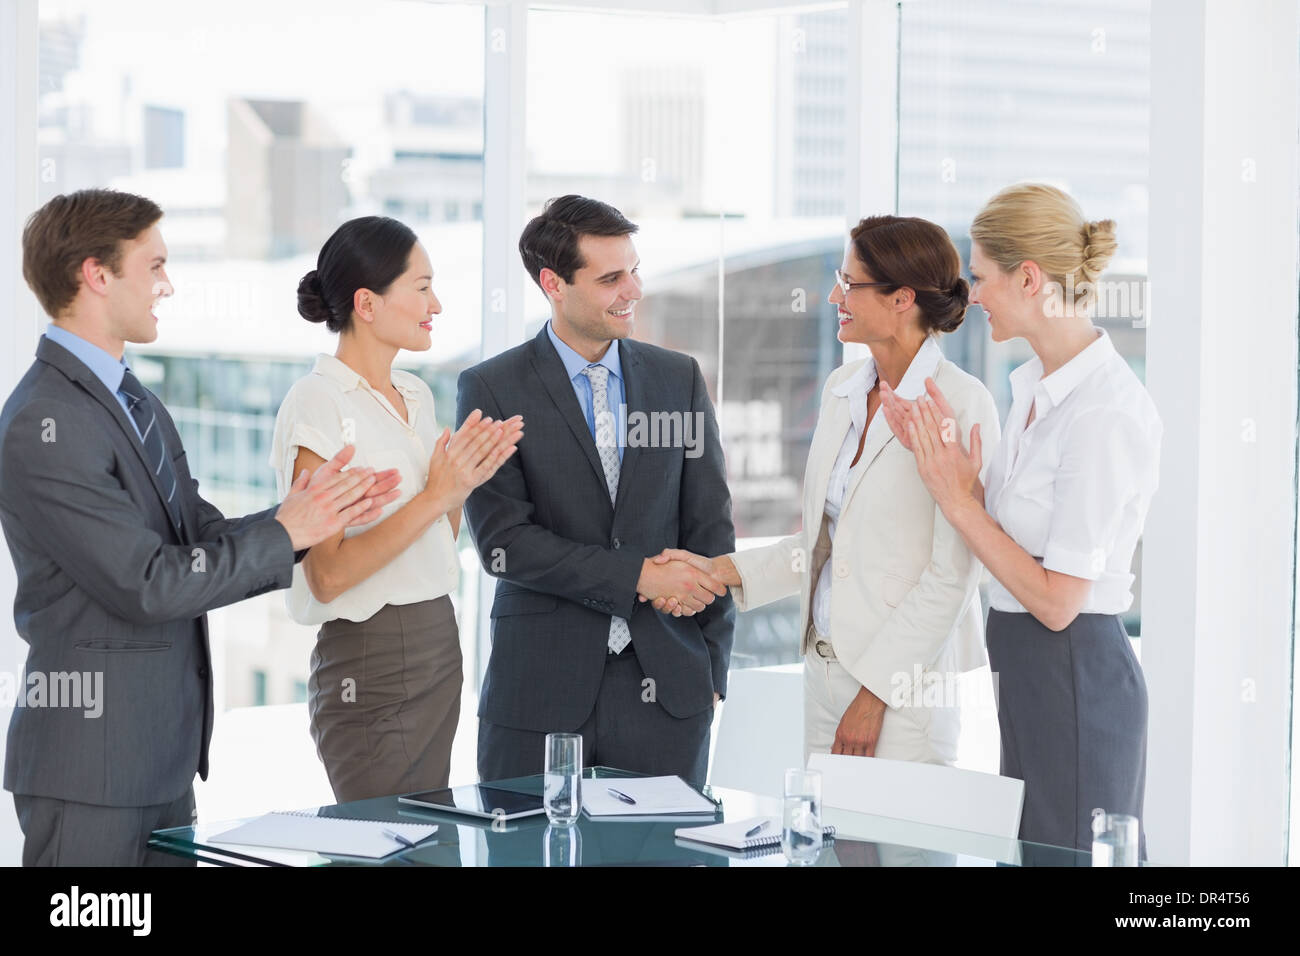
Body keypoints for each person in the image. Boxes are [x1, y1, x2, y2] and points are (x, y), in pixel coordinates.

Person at [0, 189, 397, 866]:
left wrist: (299, 519)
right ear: (97, 275)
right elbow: (147, 584)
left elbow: (194, 534)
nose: (167, 285)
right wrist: (286, 531)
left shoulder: (133, 398)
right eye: (153, 266)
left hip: (159, 764)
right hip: (93, 775)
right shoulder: (51, 422)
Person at [652, 215, 1001, 764]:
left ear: (901, 299)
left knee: (900, 849)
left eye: (852, 283)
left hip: (904, 693)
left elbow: (953, 576)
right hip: (823, 678)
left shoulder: (962, 401)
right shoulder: (843, 388)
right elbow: (822, 546)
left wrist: (876, 693)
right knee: (824, 847)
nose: (835, 294)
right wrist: (719, 571)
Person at [879, 183, 1161, 855]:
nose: (972, 296)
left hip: (1074, 673)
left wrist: (958, 501)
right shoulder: (1034, 389)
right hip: (1033, 672)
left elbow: (1059, 601)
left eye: (980, 277)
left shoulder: (1102, 413)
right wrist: (952, 472)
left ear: (1029, 277)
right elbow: (1013, 543)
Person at [456, 195, 734, 786]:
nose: (632, 290)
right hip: (538, 700)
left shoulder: (676, 378)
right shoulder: (492, 386)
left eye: (634, 270)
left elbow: (711, 530)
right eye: (611, 278)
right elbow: (505, 544)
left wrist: (710, 670)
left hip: (669, 696)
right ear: (554, 283)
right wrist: (638, 575)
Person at [270, 216, 522, 803]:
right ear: (367, 303)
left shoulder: (414, 393)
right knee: (389, 844)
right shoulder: (318, 402)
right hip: (370, 660)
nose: (436, 303)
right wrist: (436, 495)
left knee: (430, 838)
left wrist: (456, 486)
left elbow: (437, 539)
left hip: (438, 641)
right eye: (422, 286)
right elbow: (327, 576)